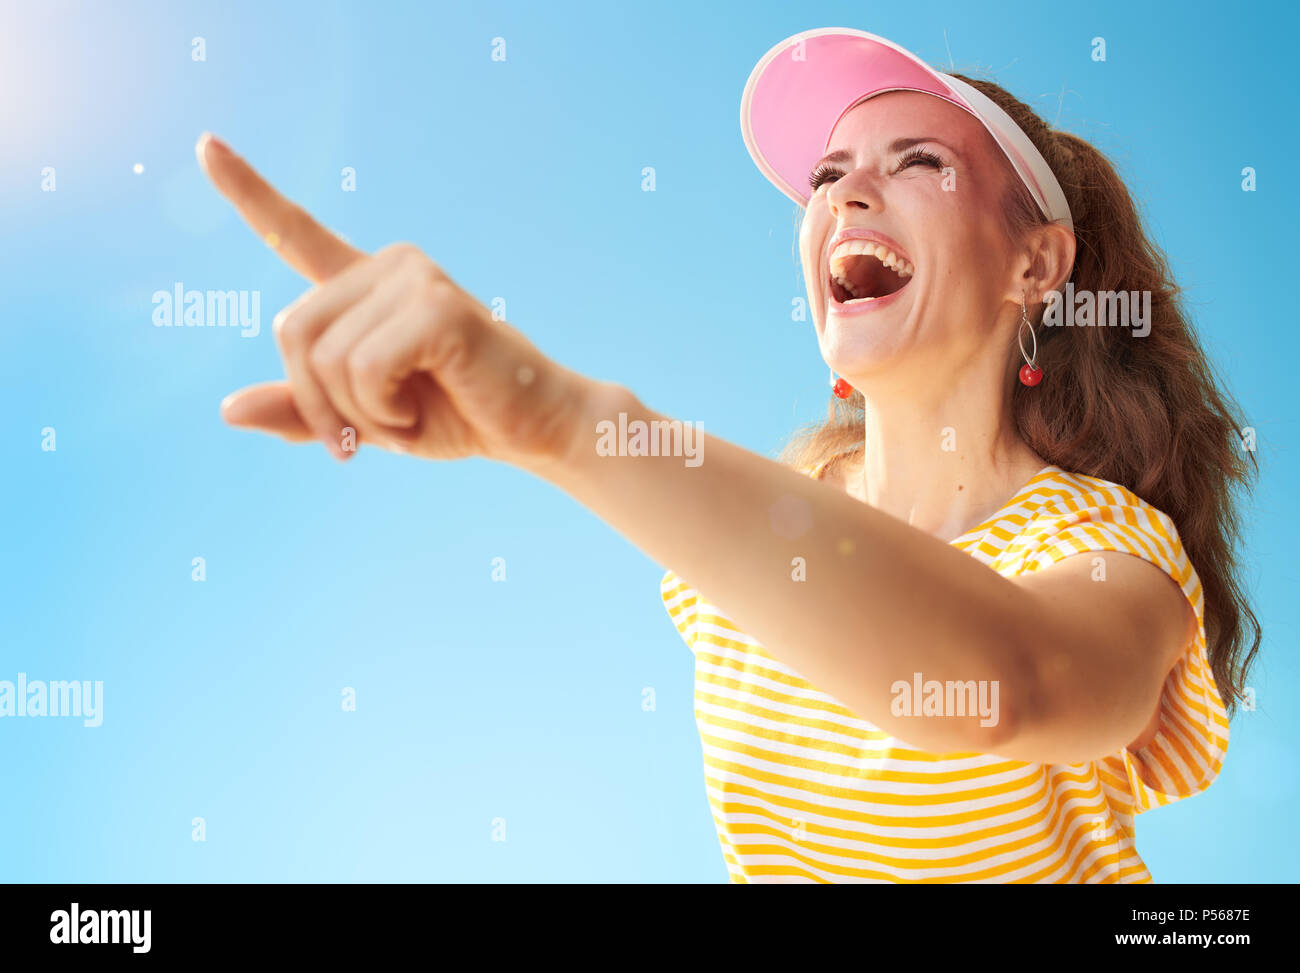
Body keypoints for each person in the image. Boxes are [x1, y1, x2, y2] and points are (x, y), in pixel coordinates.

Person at [196, 27, 1259, 883]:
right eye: (827, 176)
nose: (844, 193)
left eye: (918, 162)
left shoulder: (1106, 544)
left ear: (1037, 263)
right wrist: (540, 439)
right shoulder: (749, 532)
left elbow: (1004, 687)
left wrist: (561, 422)